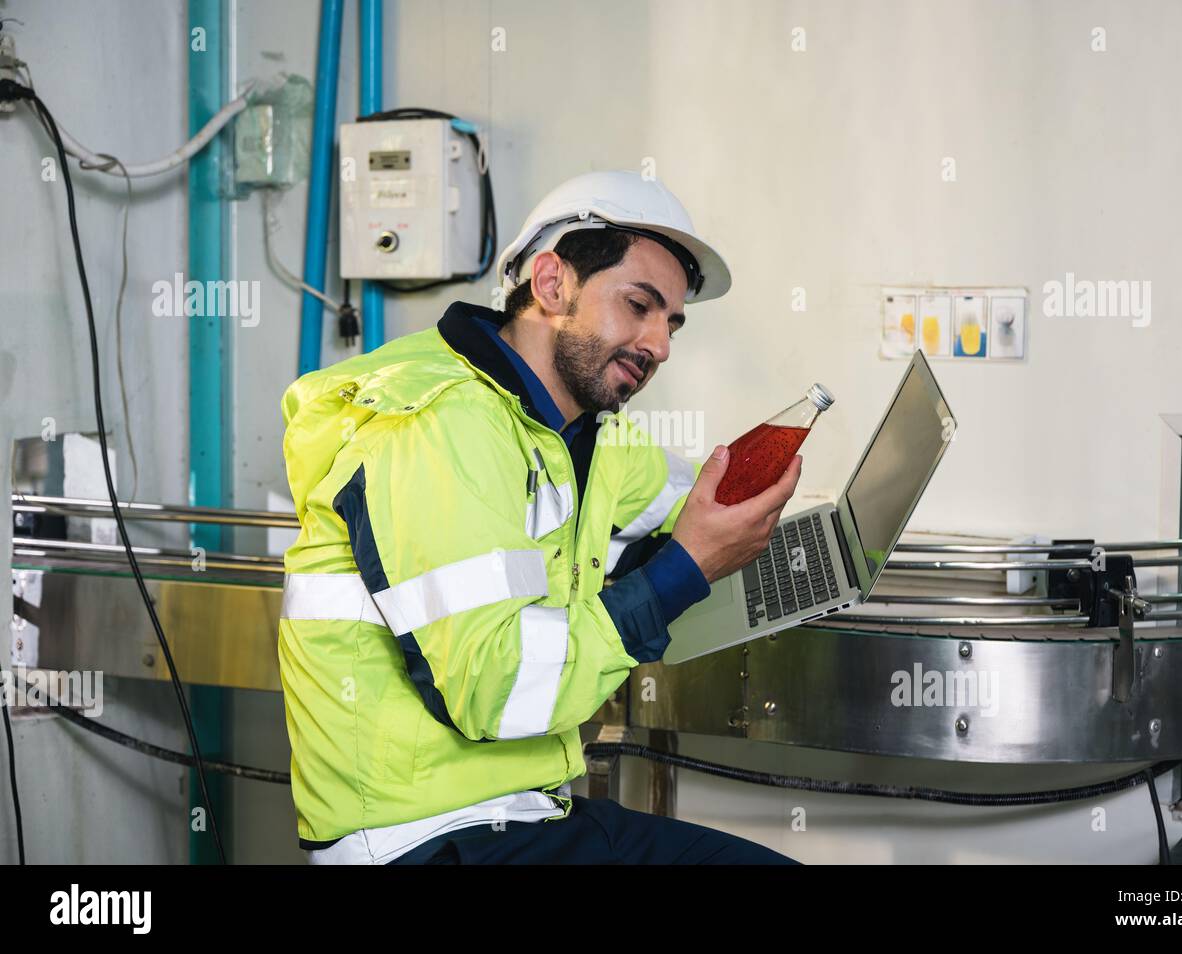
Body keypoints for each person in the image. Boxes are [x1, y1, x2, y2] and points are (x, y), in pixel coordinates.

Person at [277, 170, 801, 864]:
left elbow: (701, 498)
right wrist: (683, 571)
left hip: (524, 812)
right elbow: (494, 692)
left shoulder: (581, 431)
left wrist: (803, 517)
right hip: (420, 838)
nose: (661, 345)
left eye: (671, 322)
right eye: (639, 305)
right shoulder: (437, 423)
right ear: (552, 285)